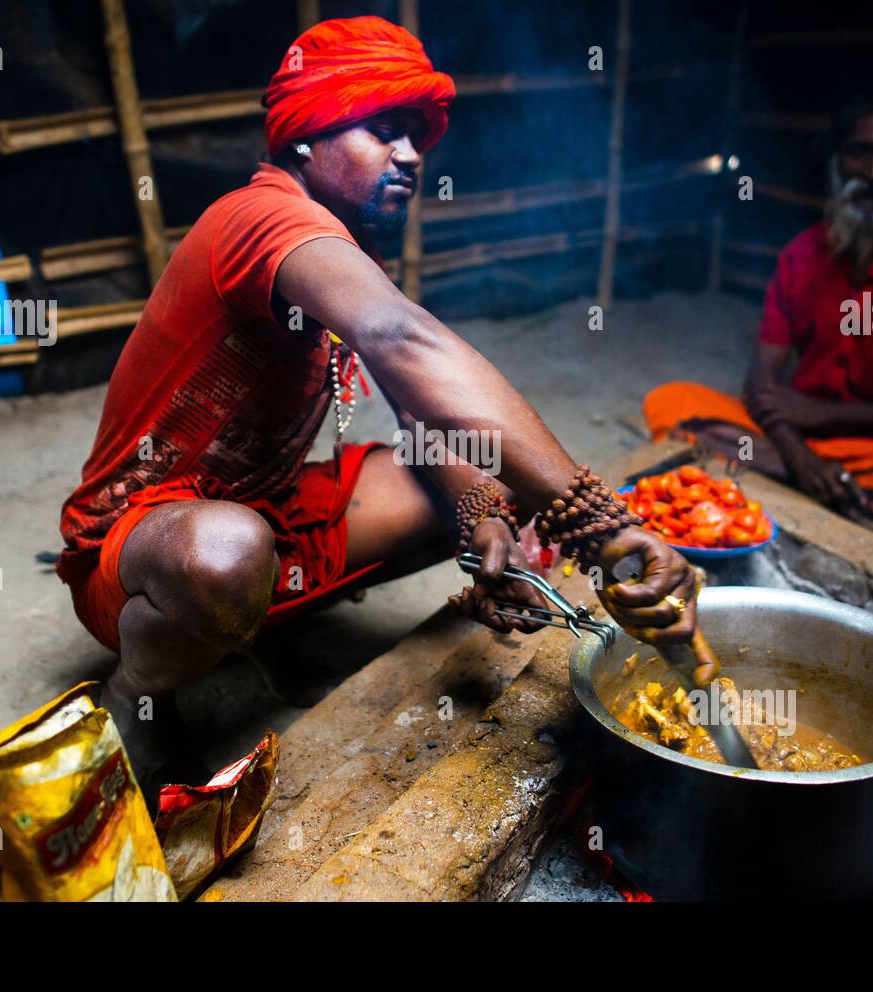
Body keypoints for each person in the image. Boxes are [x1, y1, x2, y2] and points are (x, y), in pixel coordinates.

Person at [55, 16, 695, 800]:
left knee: (477, 477)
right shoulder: (262, 218)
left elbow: (424, 414)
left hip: (269, 508)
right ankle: (136, 696)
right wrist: (597, 523)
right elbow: (403, 339)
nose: (411, 156)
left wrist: (487, 521)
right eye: (383, 130)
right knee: (225, 554)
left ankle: (262, 616)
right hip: (142, 544)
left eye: (418, 138)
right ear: (304, 137)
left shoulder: (345, 246)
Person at [644, 84, 873, 561]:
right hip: (798, 437)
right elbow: (760, 384)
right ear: (837, 159)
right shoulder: (801, 256)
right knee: (672, 402)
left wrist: (824, 416)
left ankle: (827, 479)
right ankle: (847, 490)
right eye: (861, 153)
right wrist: (801, 455)